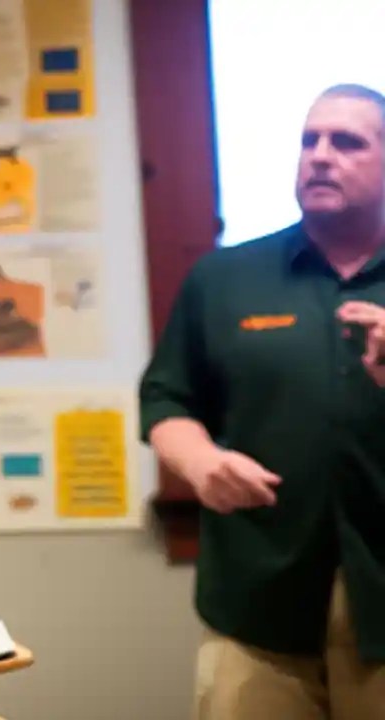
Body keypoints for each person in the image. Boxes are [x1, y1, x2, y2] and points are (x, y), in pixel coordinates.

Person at [140, 83, 385, 719]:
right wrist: (198, 463)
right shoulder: (225, 278)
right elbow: (166, 397)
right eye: (310, 140)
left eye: (348, 142)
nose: (321, 156)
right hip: (258, 606)